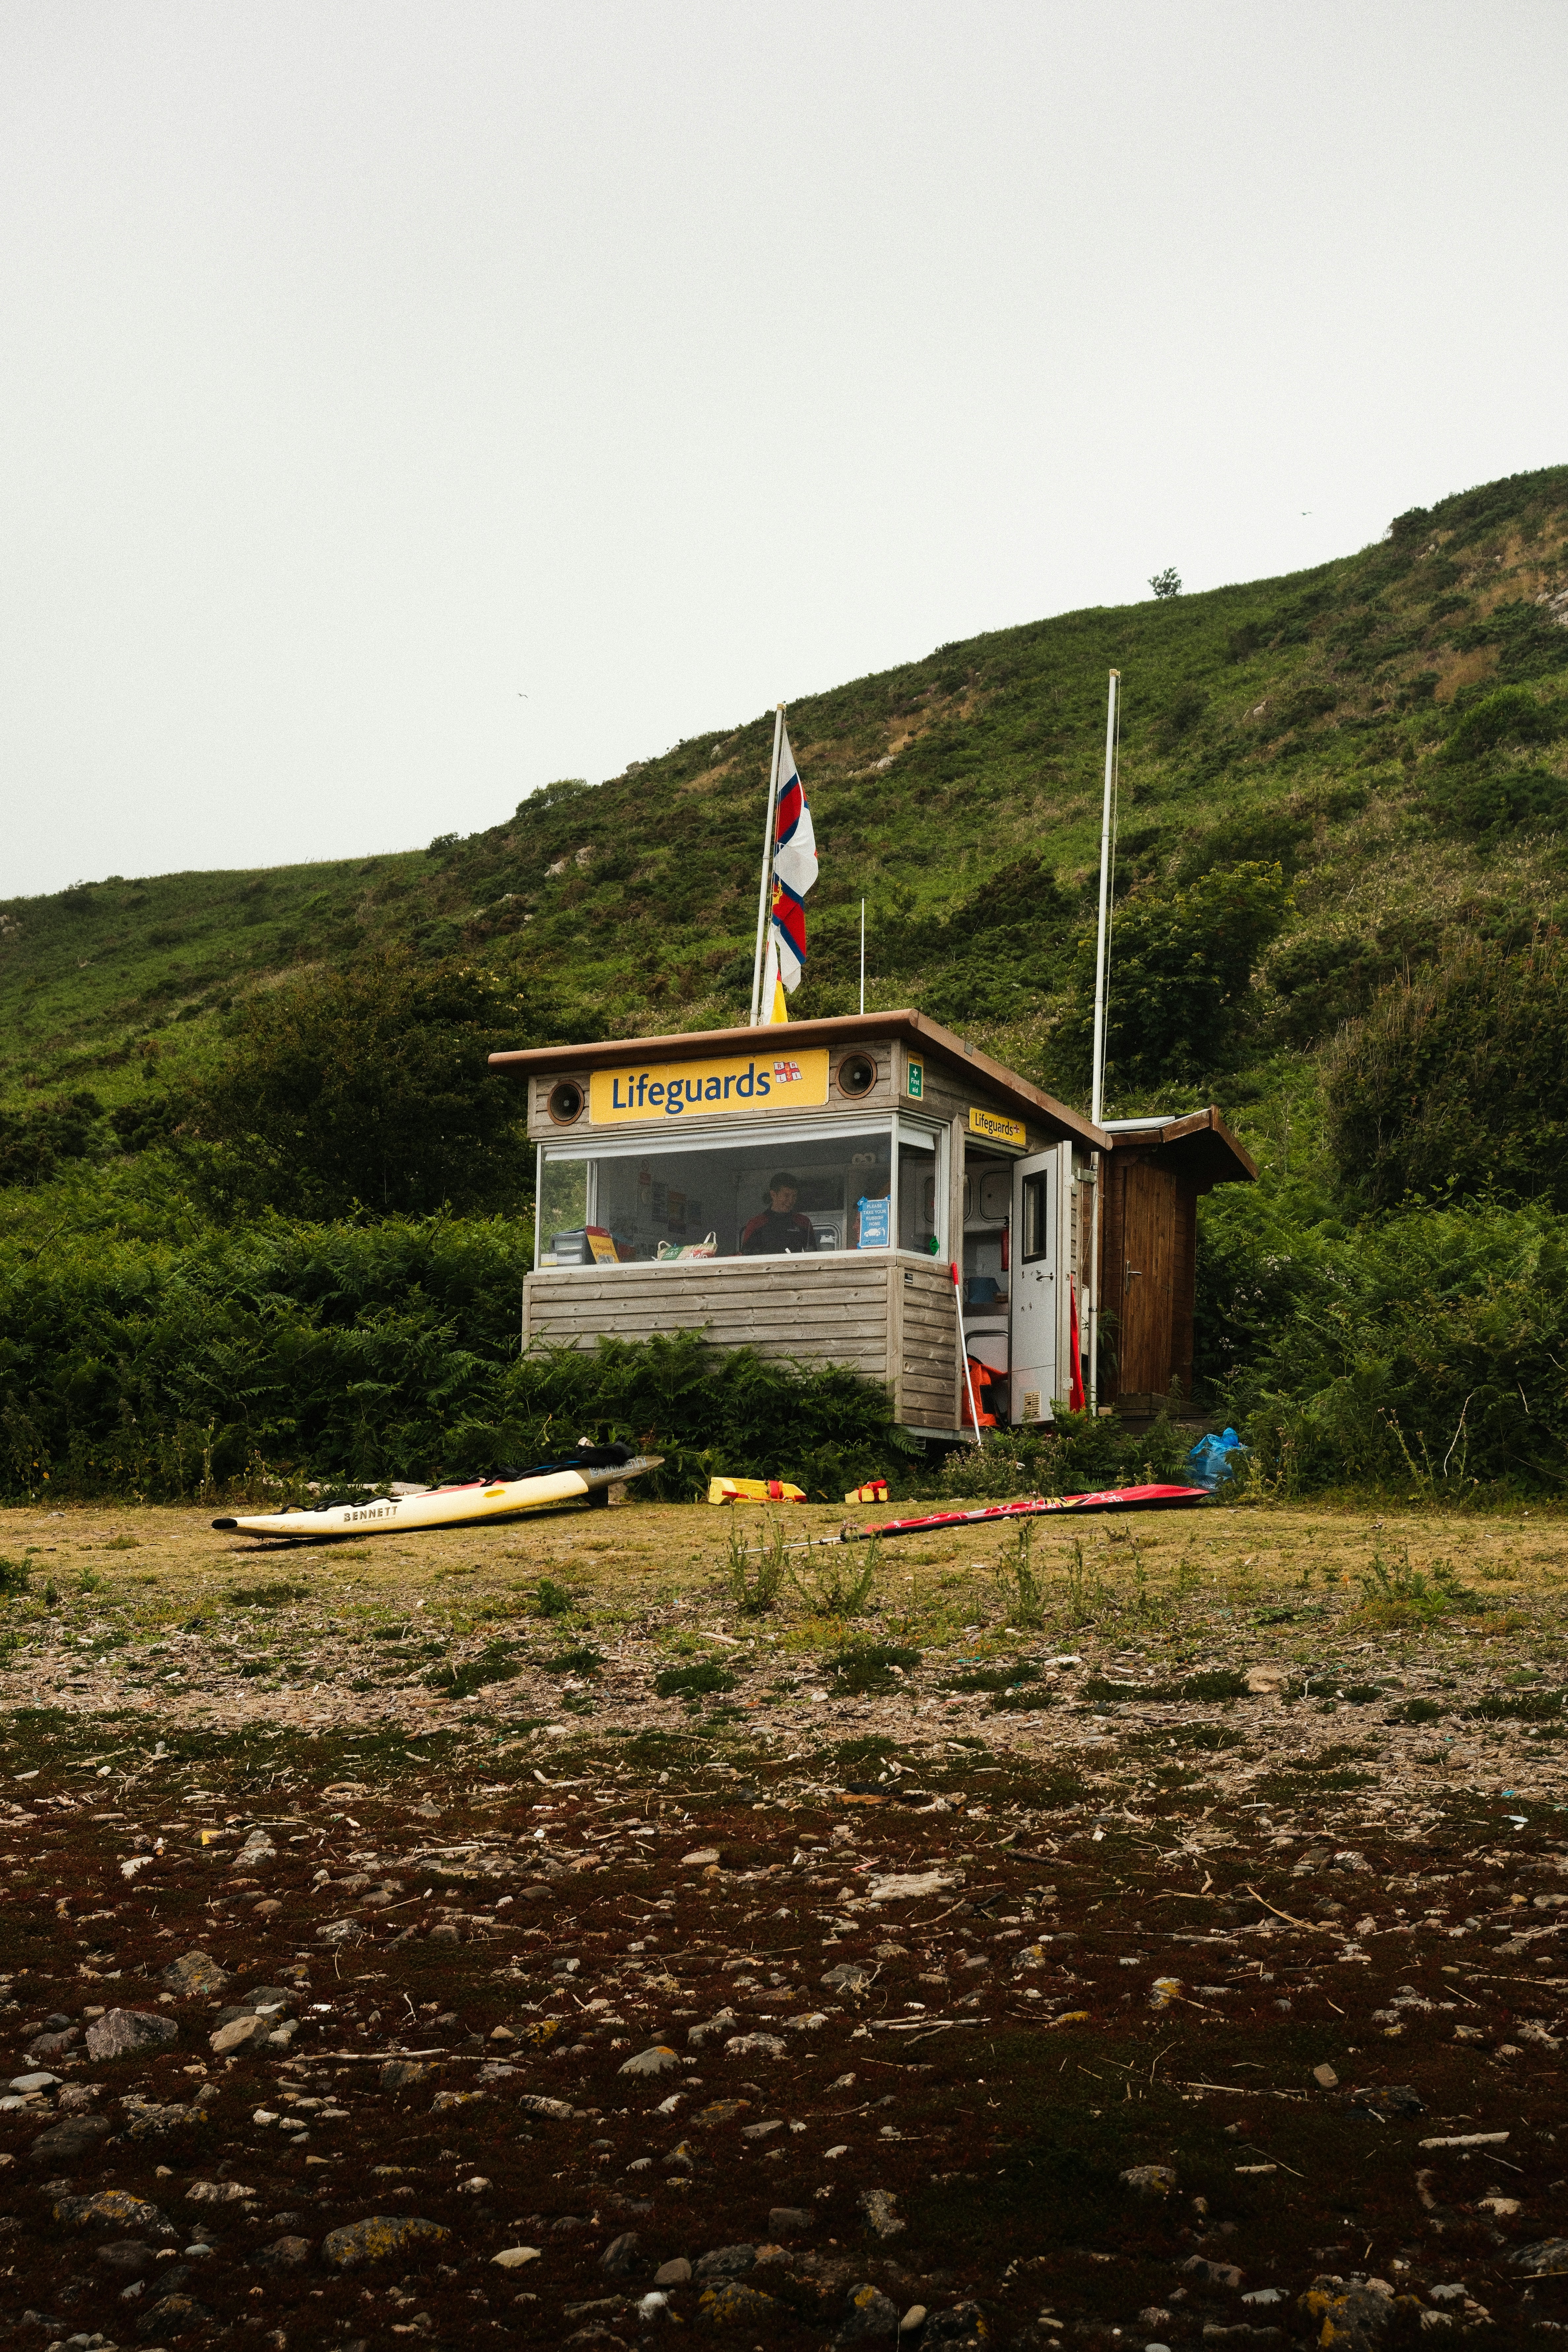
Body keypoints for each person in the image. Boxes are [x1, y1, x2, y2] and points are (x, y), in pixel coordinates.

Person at [740, 1172, 816, 1255]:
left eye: (794, 1196)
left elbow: (813, 1255)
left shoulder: (803, 1222)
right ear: (773, 1195)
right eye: (787, 1196)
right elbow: (746, 1257)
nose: (791, 1201)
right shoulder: (757, 1223)